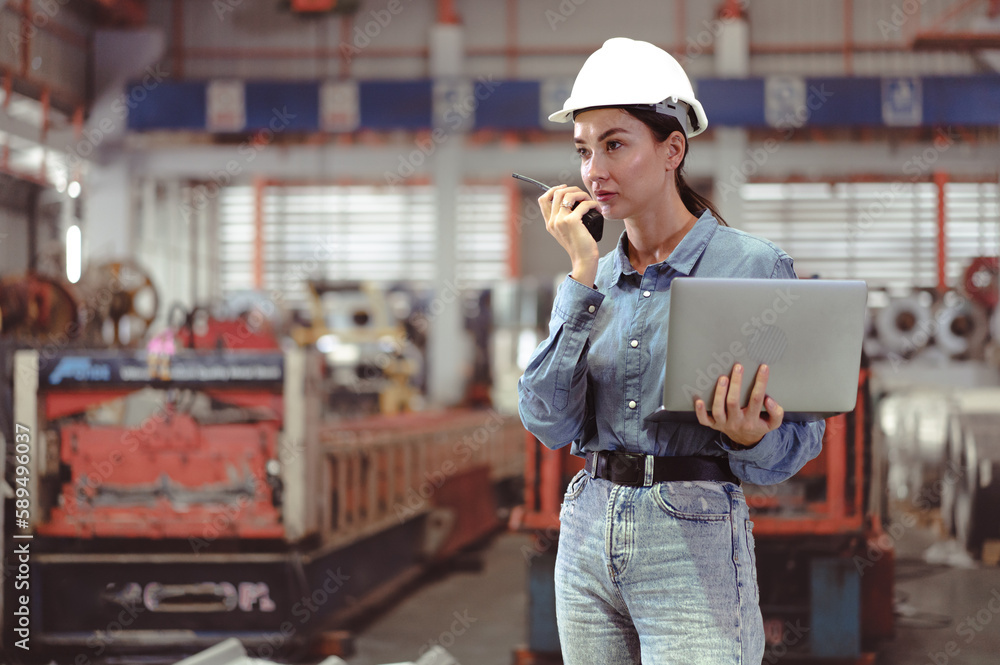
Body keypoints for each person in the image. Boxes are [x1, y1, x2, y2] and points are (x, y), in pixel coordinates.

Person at [517, 38, 825, 664]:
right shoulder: (589, 281)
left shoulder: (752, 268)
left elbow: (799, 440)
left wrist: (749, 438)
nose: (593, 171)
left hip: (693, 534)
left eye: (615, 144)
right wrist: (579, 271)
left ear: (672, 150)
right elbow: (546, 421)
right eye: (583, 150)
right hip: (585, 532)